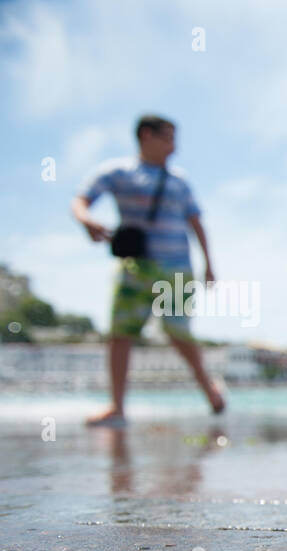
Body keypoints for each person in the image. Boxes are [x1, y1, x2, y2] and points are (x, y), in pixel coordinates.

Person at [72, 115, 224, 427]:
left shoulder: (179, 181)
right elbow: (81, 200)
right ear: (146, 135)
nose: (174, 146)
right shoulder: (118, 171)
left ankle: (210, 391)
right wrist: (86, 220)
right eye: (168, 138)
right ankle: (117, 407)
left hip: (176, 270)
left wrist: (209, 264)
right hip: (134, 268)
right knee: (120, 334)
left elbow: (197, 223)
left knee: (179, 333)